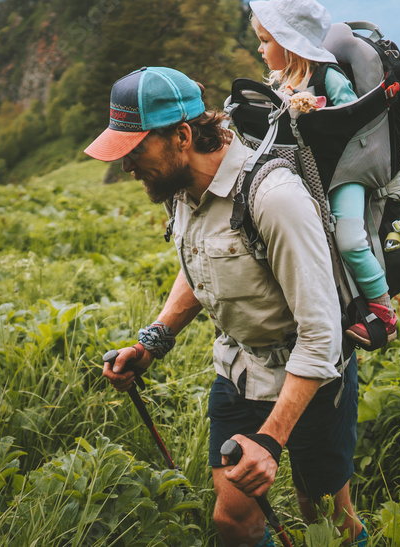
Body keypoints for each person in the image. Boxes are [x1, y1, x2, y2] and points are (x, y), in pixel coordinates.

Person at [86, 66, 367, 547]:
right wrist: (154, 340)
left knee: (322, 515)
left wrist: (271, 441)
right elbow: (203, 265)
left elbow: (322, 336)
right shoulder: (181, 190)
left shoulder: (274, 198)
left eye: (136, 149)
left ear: (181, 135)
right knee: (232, 520)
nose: (127, 166)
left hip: (312, 379)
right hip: (238, 369)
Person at [249, 0, 397, 349]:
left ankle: (385, 311)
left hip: (346, 169)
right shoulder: (284, 82)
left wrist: (317, 110)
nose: (260, 49)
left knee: (348, 241)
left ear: (290, 44)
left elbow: (354, 118)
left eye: (266, 41)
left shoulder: (328, 78)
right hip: (310, 169)